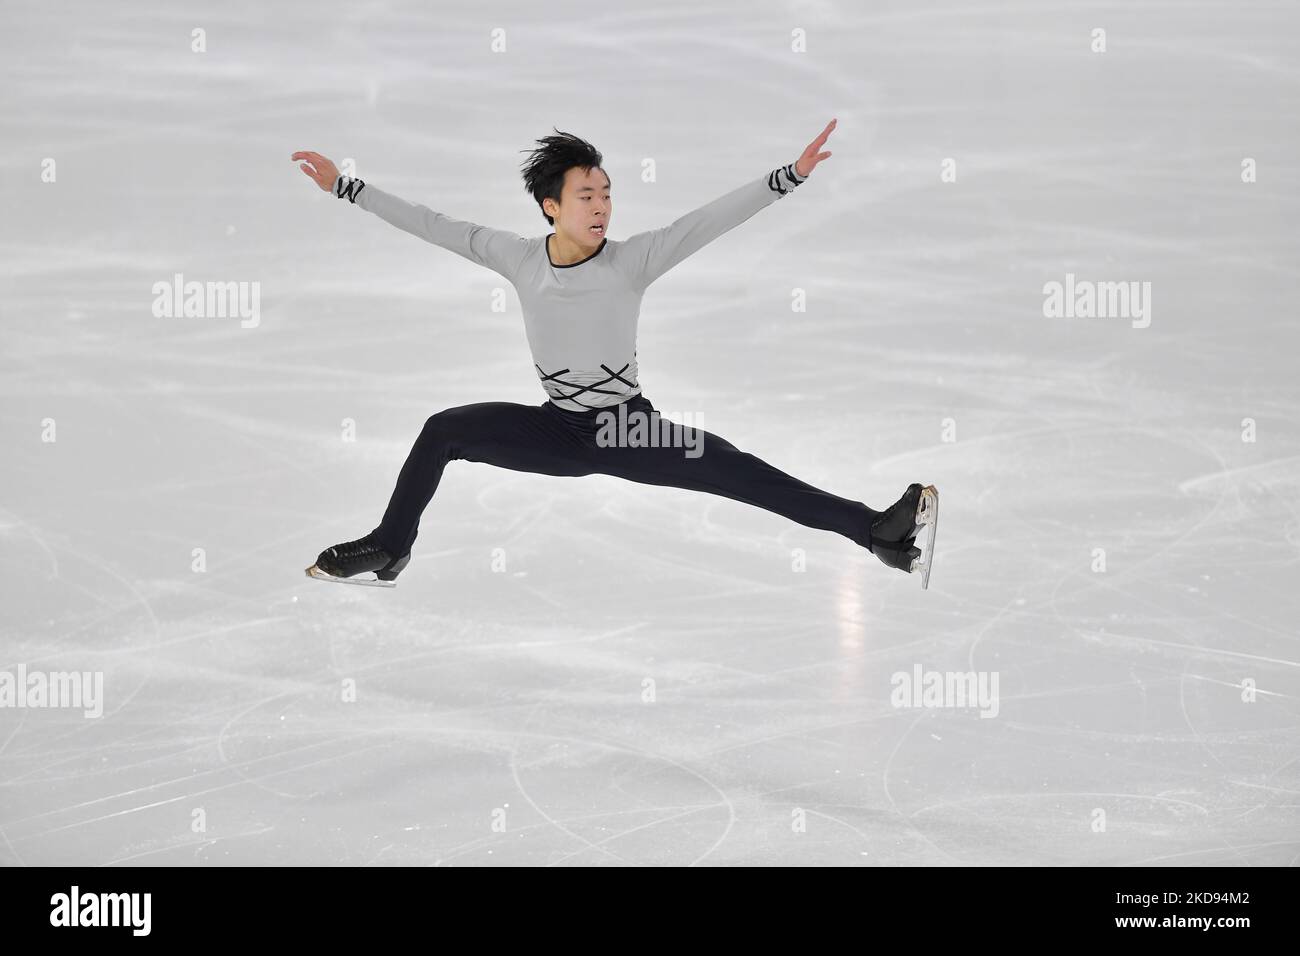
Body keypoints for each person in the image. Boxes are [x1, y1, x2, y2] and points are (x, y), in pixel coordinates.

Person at [291, 119, 937, 589]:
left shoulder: (632, 262)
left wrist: (786, 178)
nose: (601, 205)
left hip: (627, 429)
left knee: (735, 469)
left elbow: (706, 222)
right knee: (443, 432)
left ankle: (875, 531)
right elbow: (432, 224)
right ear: (552, 207)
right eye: (586, 196)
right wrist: (347, 188)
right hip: (555, 428)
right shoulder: (516, 257)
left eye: (606, 194)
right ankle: (389, 546)